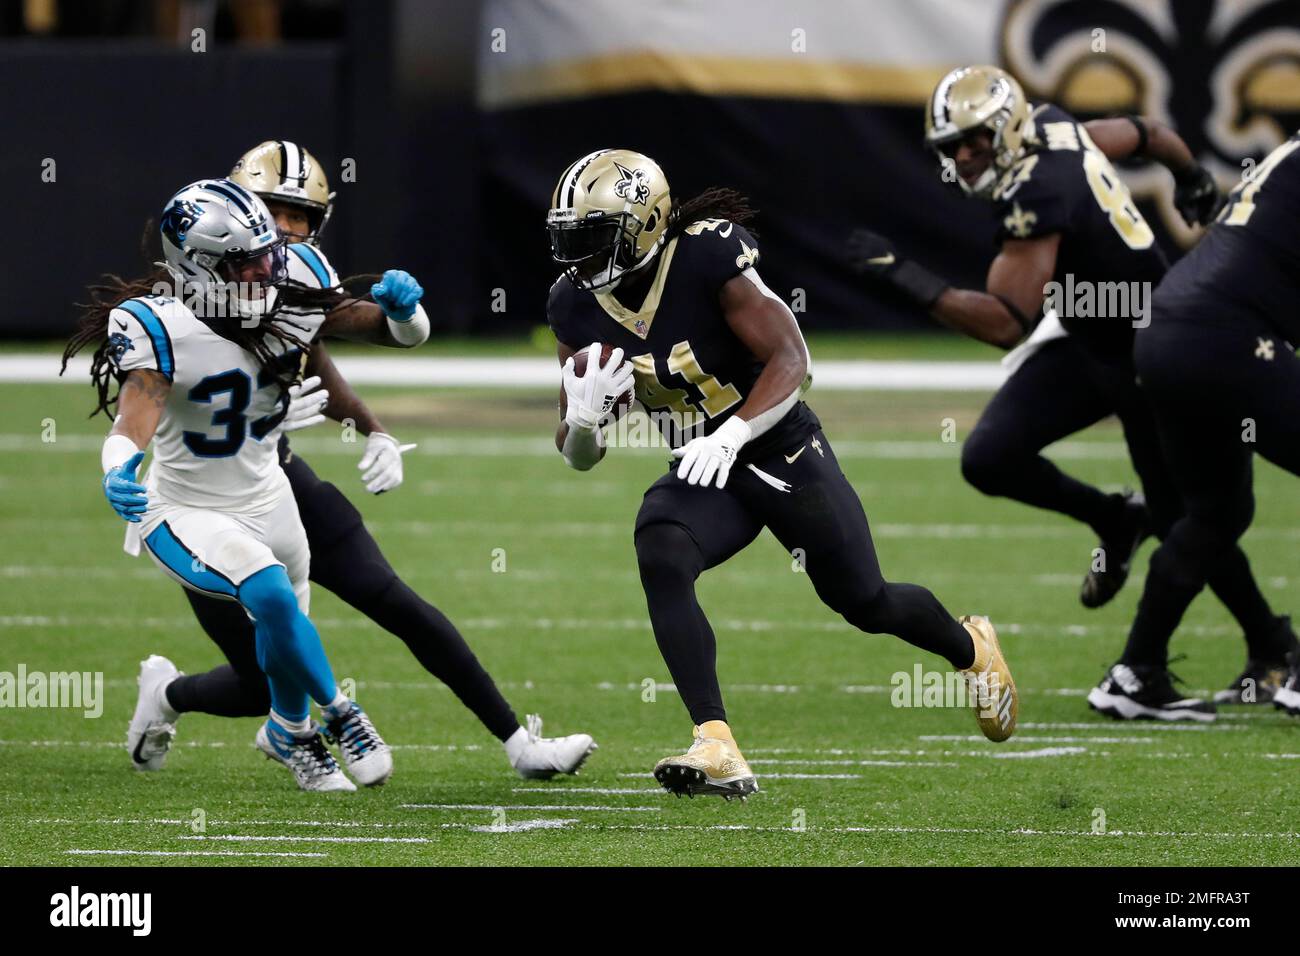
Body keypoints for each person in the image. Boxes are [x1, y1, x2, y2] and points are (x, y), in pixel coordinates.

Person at [545, 148, 1017, 800]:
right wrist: (589, 426)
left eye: (595, 241)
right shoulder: (572, 305)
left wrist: (736, 431)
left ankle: (970, 646)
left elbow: (792, 358)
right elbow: (575, 452)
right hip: (703, 469)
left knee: (865, 601)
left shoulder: (706, 255)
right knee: (660, 544)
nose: (579, 260)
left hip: (776, 446)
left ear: (644, 228)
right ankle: (716, 741)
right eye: (572, 242)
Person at [125, 141, 596, 781]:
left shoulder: (288, 284)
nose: (286, 232)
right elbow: (151, 403)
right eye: (275, 211)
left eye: (301, 217)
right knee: (260, 684)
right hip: (202, 502)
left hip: (276, 481)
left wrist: (377, 416)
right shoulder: (179, 310)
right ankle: (171, 696)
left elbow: (340, 342)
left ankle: (520, 744)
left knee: (397, 601)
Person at [847, 66, 1294, 717]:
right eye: (952, 147)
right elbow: (1147, 132)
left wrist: (904, 277)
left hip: (1146, 350)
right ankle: (1115, 518)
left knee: (1191, 518)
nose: (964, 156)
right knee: (990, 457)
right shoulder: (1053, 128)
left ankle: (1262, 646)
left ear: (1005, 129)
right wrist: (1190, 175)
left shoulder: (1039, 187)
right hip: (1090, 336)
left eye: (974, 140)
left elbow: (1006, 322)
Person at [64, 178, 424, 790]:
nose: (266, 269)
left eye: (267, 254)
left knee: (283, 634)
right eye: (246, 262)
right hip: (186, 508)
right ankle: (342, 714)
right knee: (271, 597)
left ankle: (289, 731)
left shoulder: (289, 281)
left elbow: (396, 333)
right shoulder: (160, 324)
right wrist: (116, 465)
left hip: (267, 491)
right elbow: (135, 417)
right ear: (198, 268)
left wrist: (405, 310)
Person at [1091, 133, 1300, 718]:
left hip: (1167, 331)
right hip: (1222, 335)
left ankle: (1137, 671)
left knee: (1215, 513)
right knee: (1212, 512)